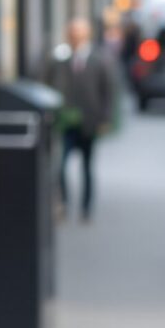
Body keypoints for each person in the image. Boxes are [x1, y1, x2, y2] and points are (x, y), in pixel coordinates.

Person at [44, 18, 124, 220]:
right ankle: (64, 202)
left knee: (87, 166)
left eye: (79, 32)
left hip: (90, 120)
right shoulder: (59, 59)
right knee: (61, 164)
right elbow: (49, 84)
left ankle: (86, 207)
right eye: (72, 32)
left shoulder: (100, 59)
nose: (75, 36)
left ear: (86, 34)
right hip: (65, 120)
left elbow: (108, 90)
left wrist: (106, 119)